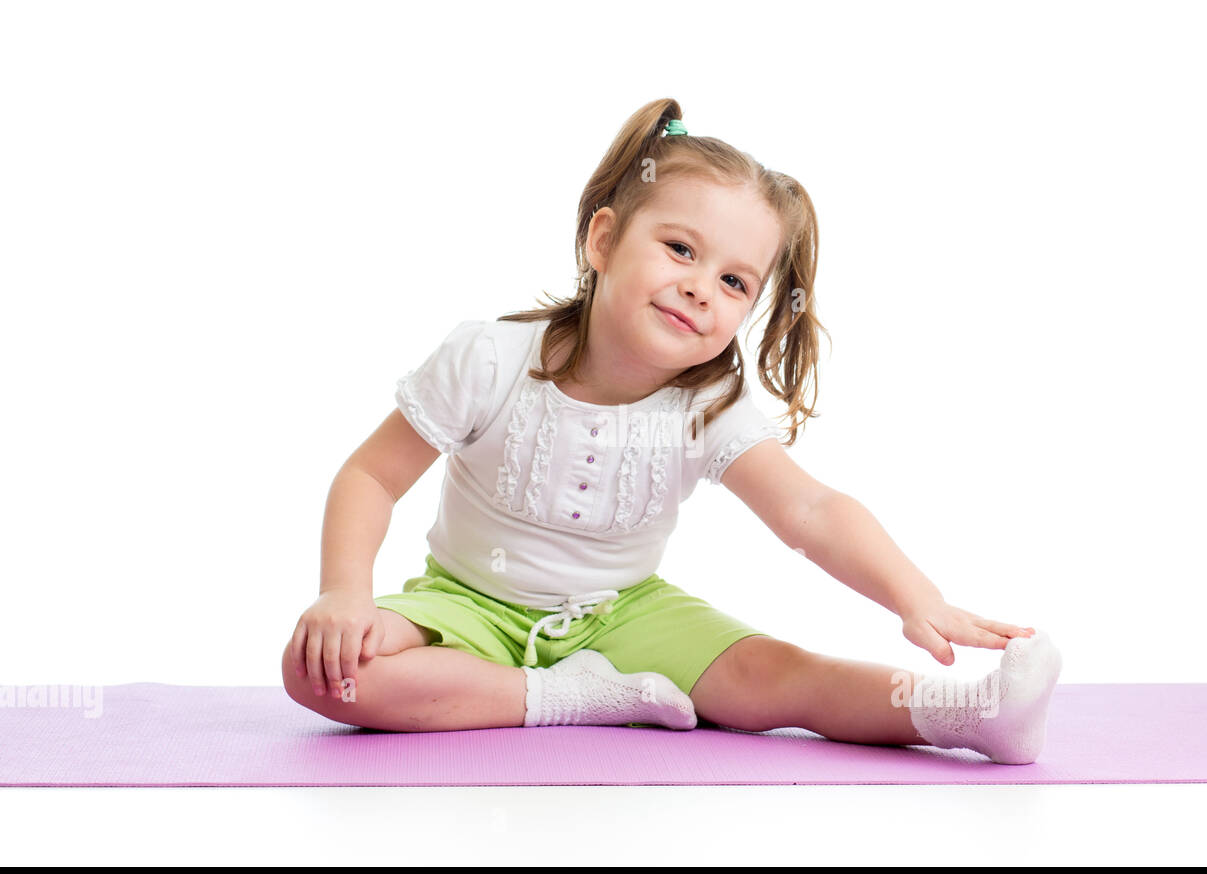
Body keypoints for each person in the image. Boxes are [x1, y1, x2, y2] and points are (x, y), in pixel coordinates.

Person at [281, 98, 1063, 765]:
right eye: (680, 249)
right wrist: (344, 595)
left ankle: (966, 714)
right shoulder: (488, 358)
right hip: (467, 606)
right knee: (321, 671)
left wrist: (914, 594)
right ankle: (570, 698)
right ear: (603, 241)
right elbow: (371, 477)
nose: (699, 286)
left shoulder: (706, 404)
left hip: (625, 613)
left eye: (733, 281)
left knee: (773, 676)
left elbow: (810, 512)